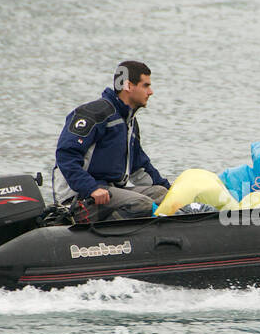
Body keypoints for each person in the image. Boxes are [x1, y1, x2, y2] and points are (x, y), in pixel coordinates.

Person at [52, 61, 171, 220]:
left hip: (110, 191)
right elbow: (66, 156)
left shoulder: (129, 122)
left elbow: (140, 168)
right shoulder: (93, 114)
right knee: (141, 204)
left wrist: (173, 191)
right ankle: (101, 237)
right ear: (128, 86)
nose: (151, 92)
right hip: (80, 197)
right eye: (146, 85)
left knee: (161, 194)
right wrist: (91, 188)